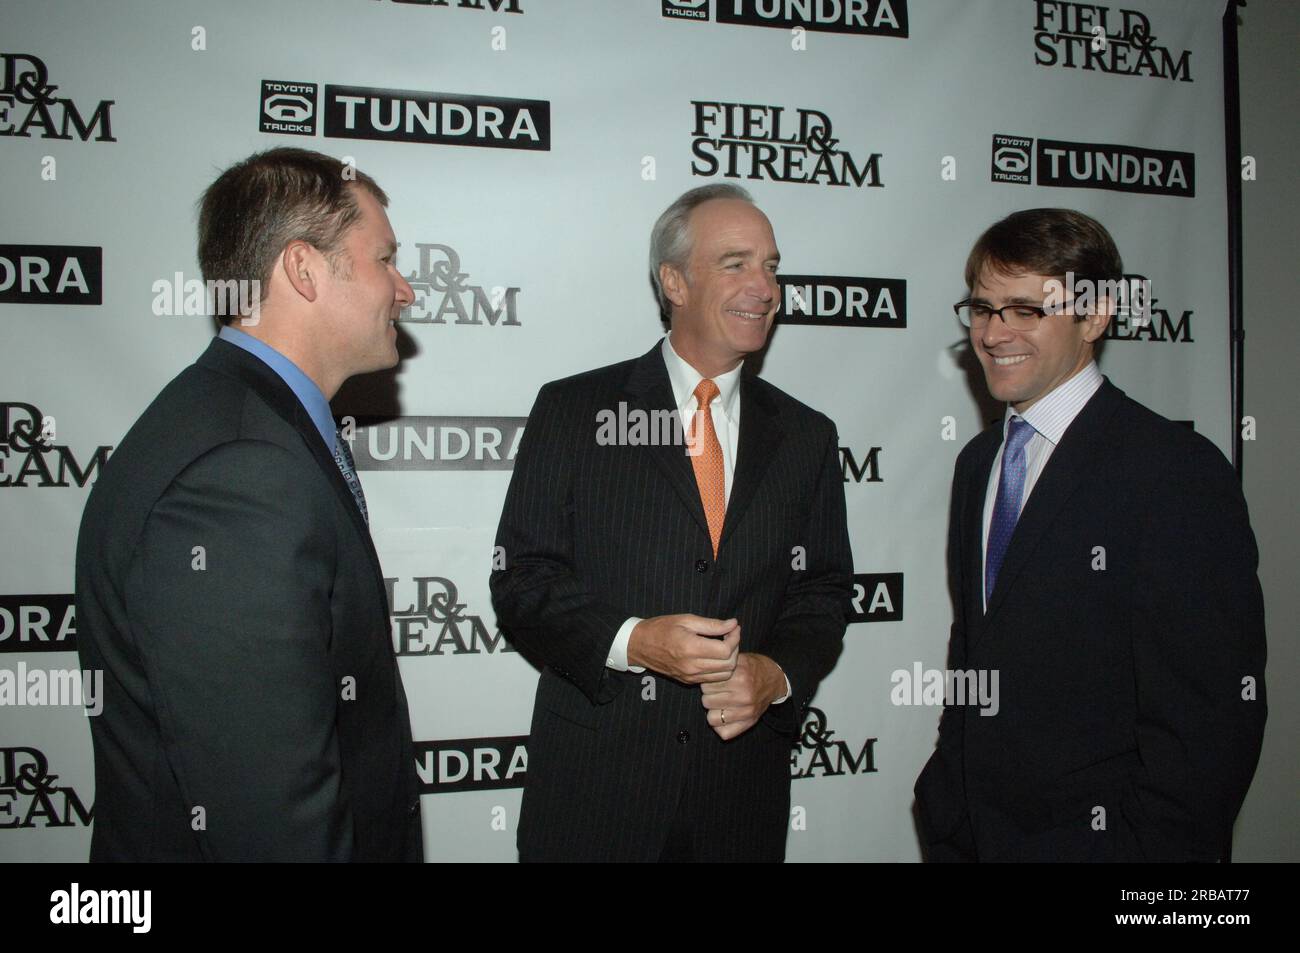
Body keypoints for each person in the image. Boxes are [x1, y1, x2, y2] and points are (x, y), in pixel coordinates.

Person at [75, 147, 422, 861]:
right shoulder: (238, 469)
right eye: (384, 258)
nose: (405, 288)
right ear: (303, 268)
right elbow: (272, 815)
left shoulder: (251, 425)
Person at [490, 183, 853, 862]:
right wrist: (634, 641)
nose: (764, 286)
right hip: (595, 799)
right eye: (736, 262)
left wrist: (773, 673)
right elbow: (523, 580)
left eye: (772, 265)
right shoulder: (572, 410)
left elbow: (824, 590)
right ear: (674, 282)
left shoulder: (807, 436)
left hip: (739, 802)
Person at [915, 207, 1267, 862]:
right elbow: (977, 650)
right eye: (983, 309)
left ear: (1096, 315)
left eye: (1025, 309)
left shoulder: (1173, 471)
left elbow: (1209, 726)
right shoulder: (978, 464)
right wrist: (946, 801)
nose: (995, 333)